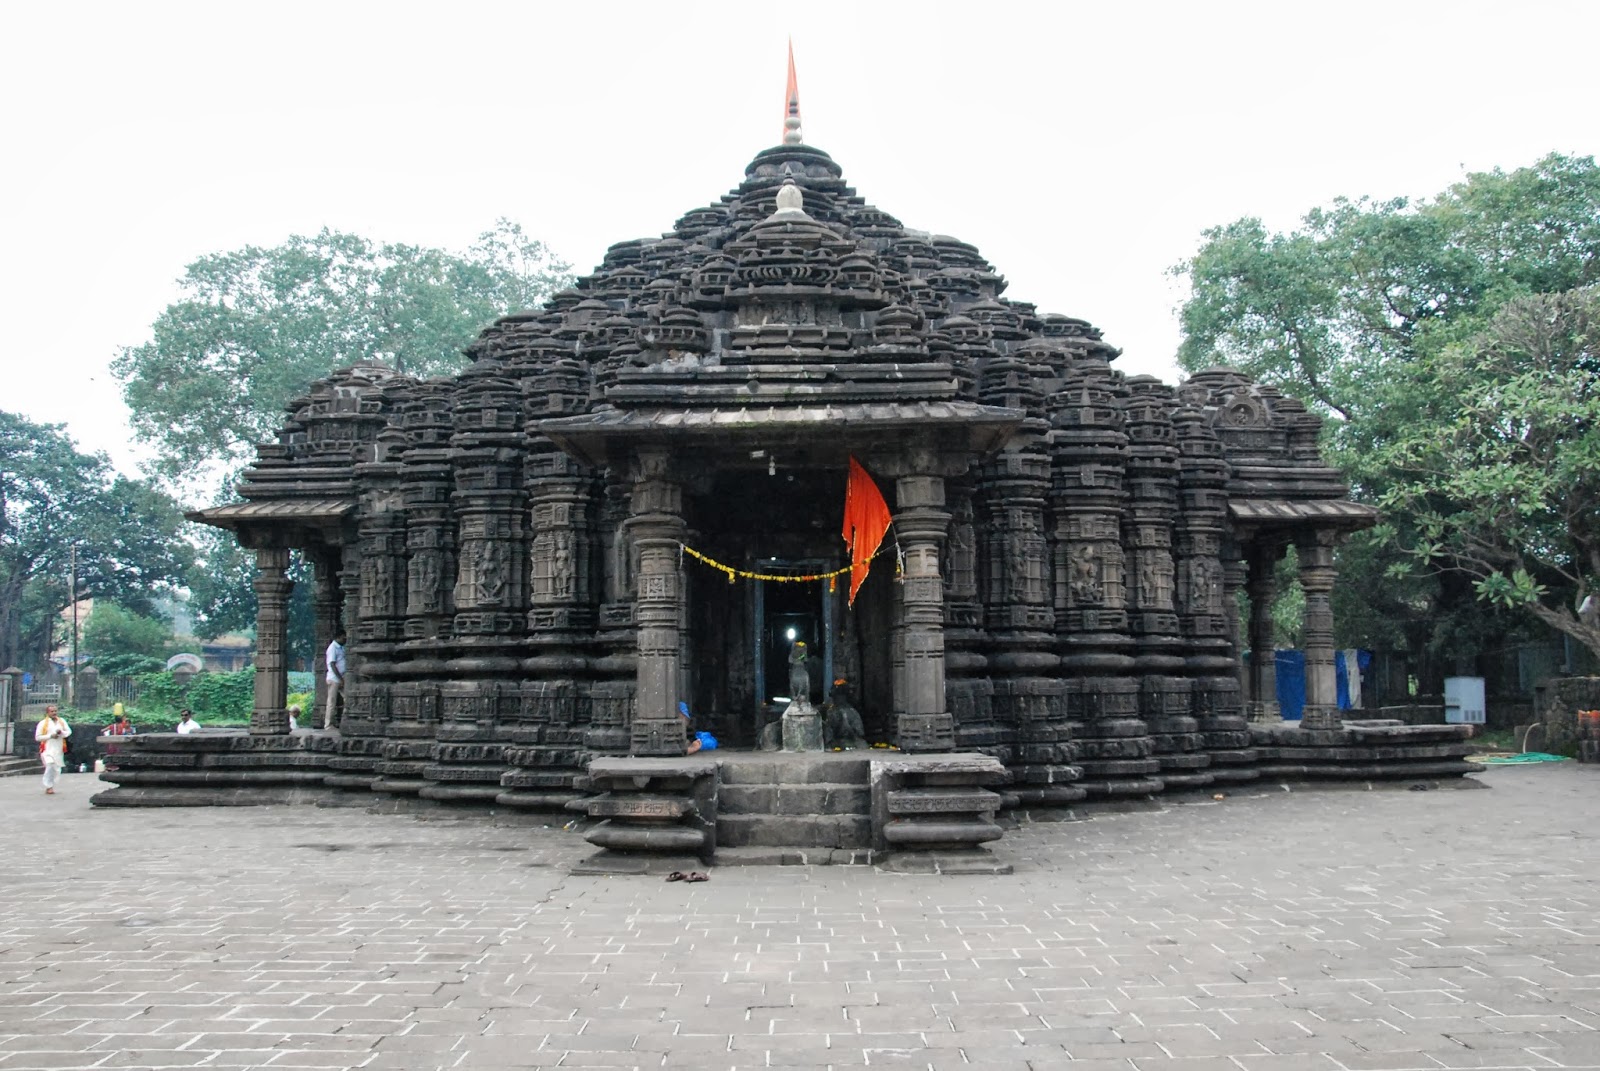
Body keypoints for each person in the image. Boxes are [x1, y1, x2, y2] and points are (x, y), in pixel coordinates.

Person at [35, 706, 72, 795]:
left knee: (56, 768)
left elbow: (68, 732)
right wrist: (50, 736)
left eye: (55, 711)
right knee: (50, 765)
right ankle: (49, 786)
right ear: (47, 713)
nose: (54, 713)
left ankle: (51, 784)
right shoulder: (43, 723)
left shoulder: (61, 721)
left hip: (58, 749)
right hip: (47, 748)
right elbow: (38, 737)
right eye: (52, 711)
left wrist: (61, 733)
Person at [324, 630, 347, 730]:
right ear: (338, 637)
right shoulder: (333, 648)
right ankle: (328, 724)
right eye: (343, 637)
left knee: (348, 699)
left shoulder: (341, 648)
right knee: (331, 702)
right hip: (334, 678)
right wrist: (340, 679)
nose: (345, 639)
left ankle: (345, 721)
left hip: (341, 677)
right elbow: (332, 664)